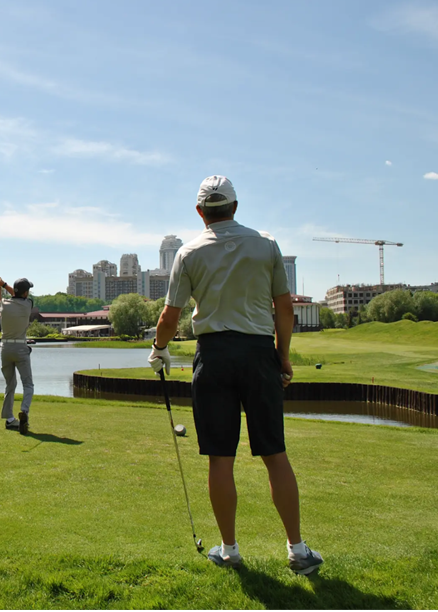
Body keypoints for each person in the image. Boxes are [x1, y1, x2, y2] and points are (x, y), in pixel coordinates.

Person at [148, 175, 323, 576]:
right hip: (259, 353)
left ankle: (229, 551)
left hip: (214, 357)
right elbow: (284, 309)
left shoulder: (188, 253)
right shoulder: (266, 243)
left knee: (220, 460)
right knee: (275, 455)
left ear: (199, 212)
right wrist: (283, 358)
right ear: (236, 206)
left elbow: (169, 317)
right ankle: (297, 551)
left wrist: (159, 350)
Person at [0, 276, 35, 435]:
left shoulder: (4, 304)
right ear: (25, 293)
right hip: (20, 347)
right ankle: (24, 411)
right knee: (28, 384)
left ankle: (10, 419)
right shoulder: (28, 304)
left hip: (5, 348)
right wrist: (4, 284)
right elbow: (17, 295)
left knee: (10, 384)